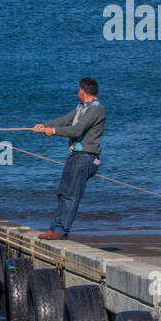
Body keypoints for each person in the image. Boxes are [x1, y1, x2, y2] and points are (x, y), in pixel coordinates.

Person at [34, 77, 105, 240]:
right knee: (63, 192)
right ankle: (56, 228)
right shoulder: (82, 107)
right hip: (76, 156)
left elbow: (76, 130)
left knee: (71, 195)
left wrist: (53, 131)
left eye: (78, 90)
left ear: (83, 91)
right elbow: (66, 120)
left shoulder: (96, 109)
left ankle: (61, 230)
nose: (78, 92)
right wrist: (44, 126)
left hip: (86, 157)